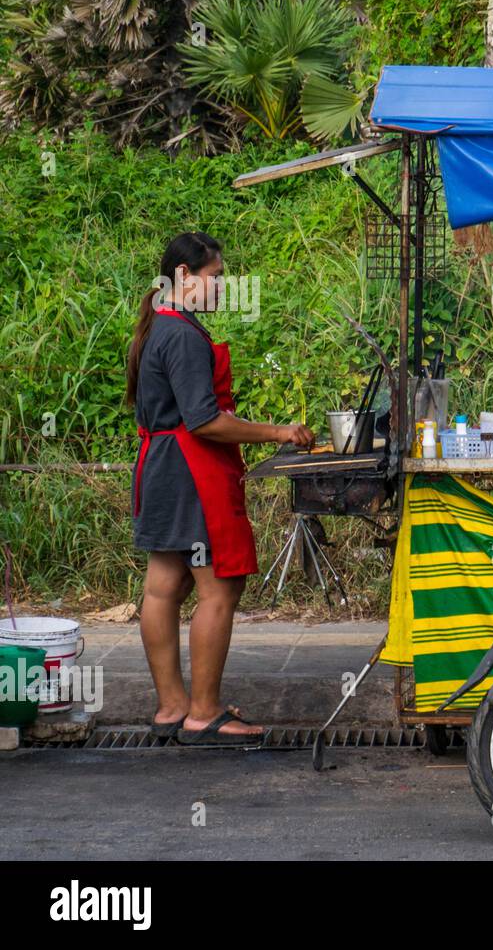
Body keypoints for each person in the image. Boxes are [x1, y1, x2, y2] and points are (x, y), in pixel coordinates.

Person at [127, 232, 314, 746]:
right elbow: (205, 421)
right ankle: (204, 713)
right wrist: (279, 433)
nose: (222, 286)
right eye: (216, 276)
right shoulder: (184, 336)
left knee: (163, 587)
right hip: (190, 471)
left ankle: (171, 708)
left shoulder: (156, 328)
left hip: (160, 466)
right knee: (219, 588)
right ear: (185, 277)